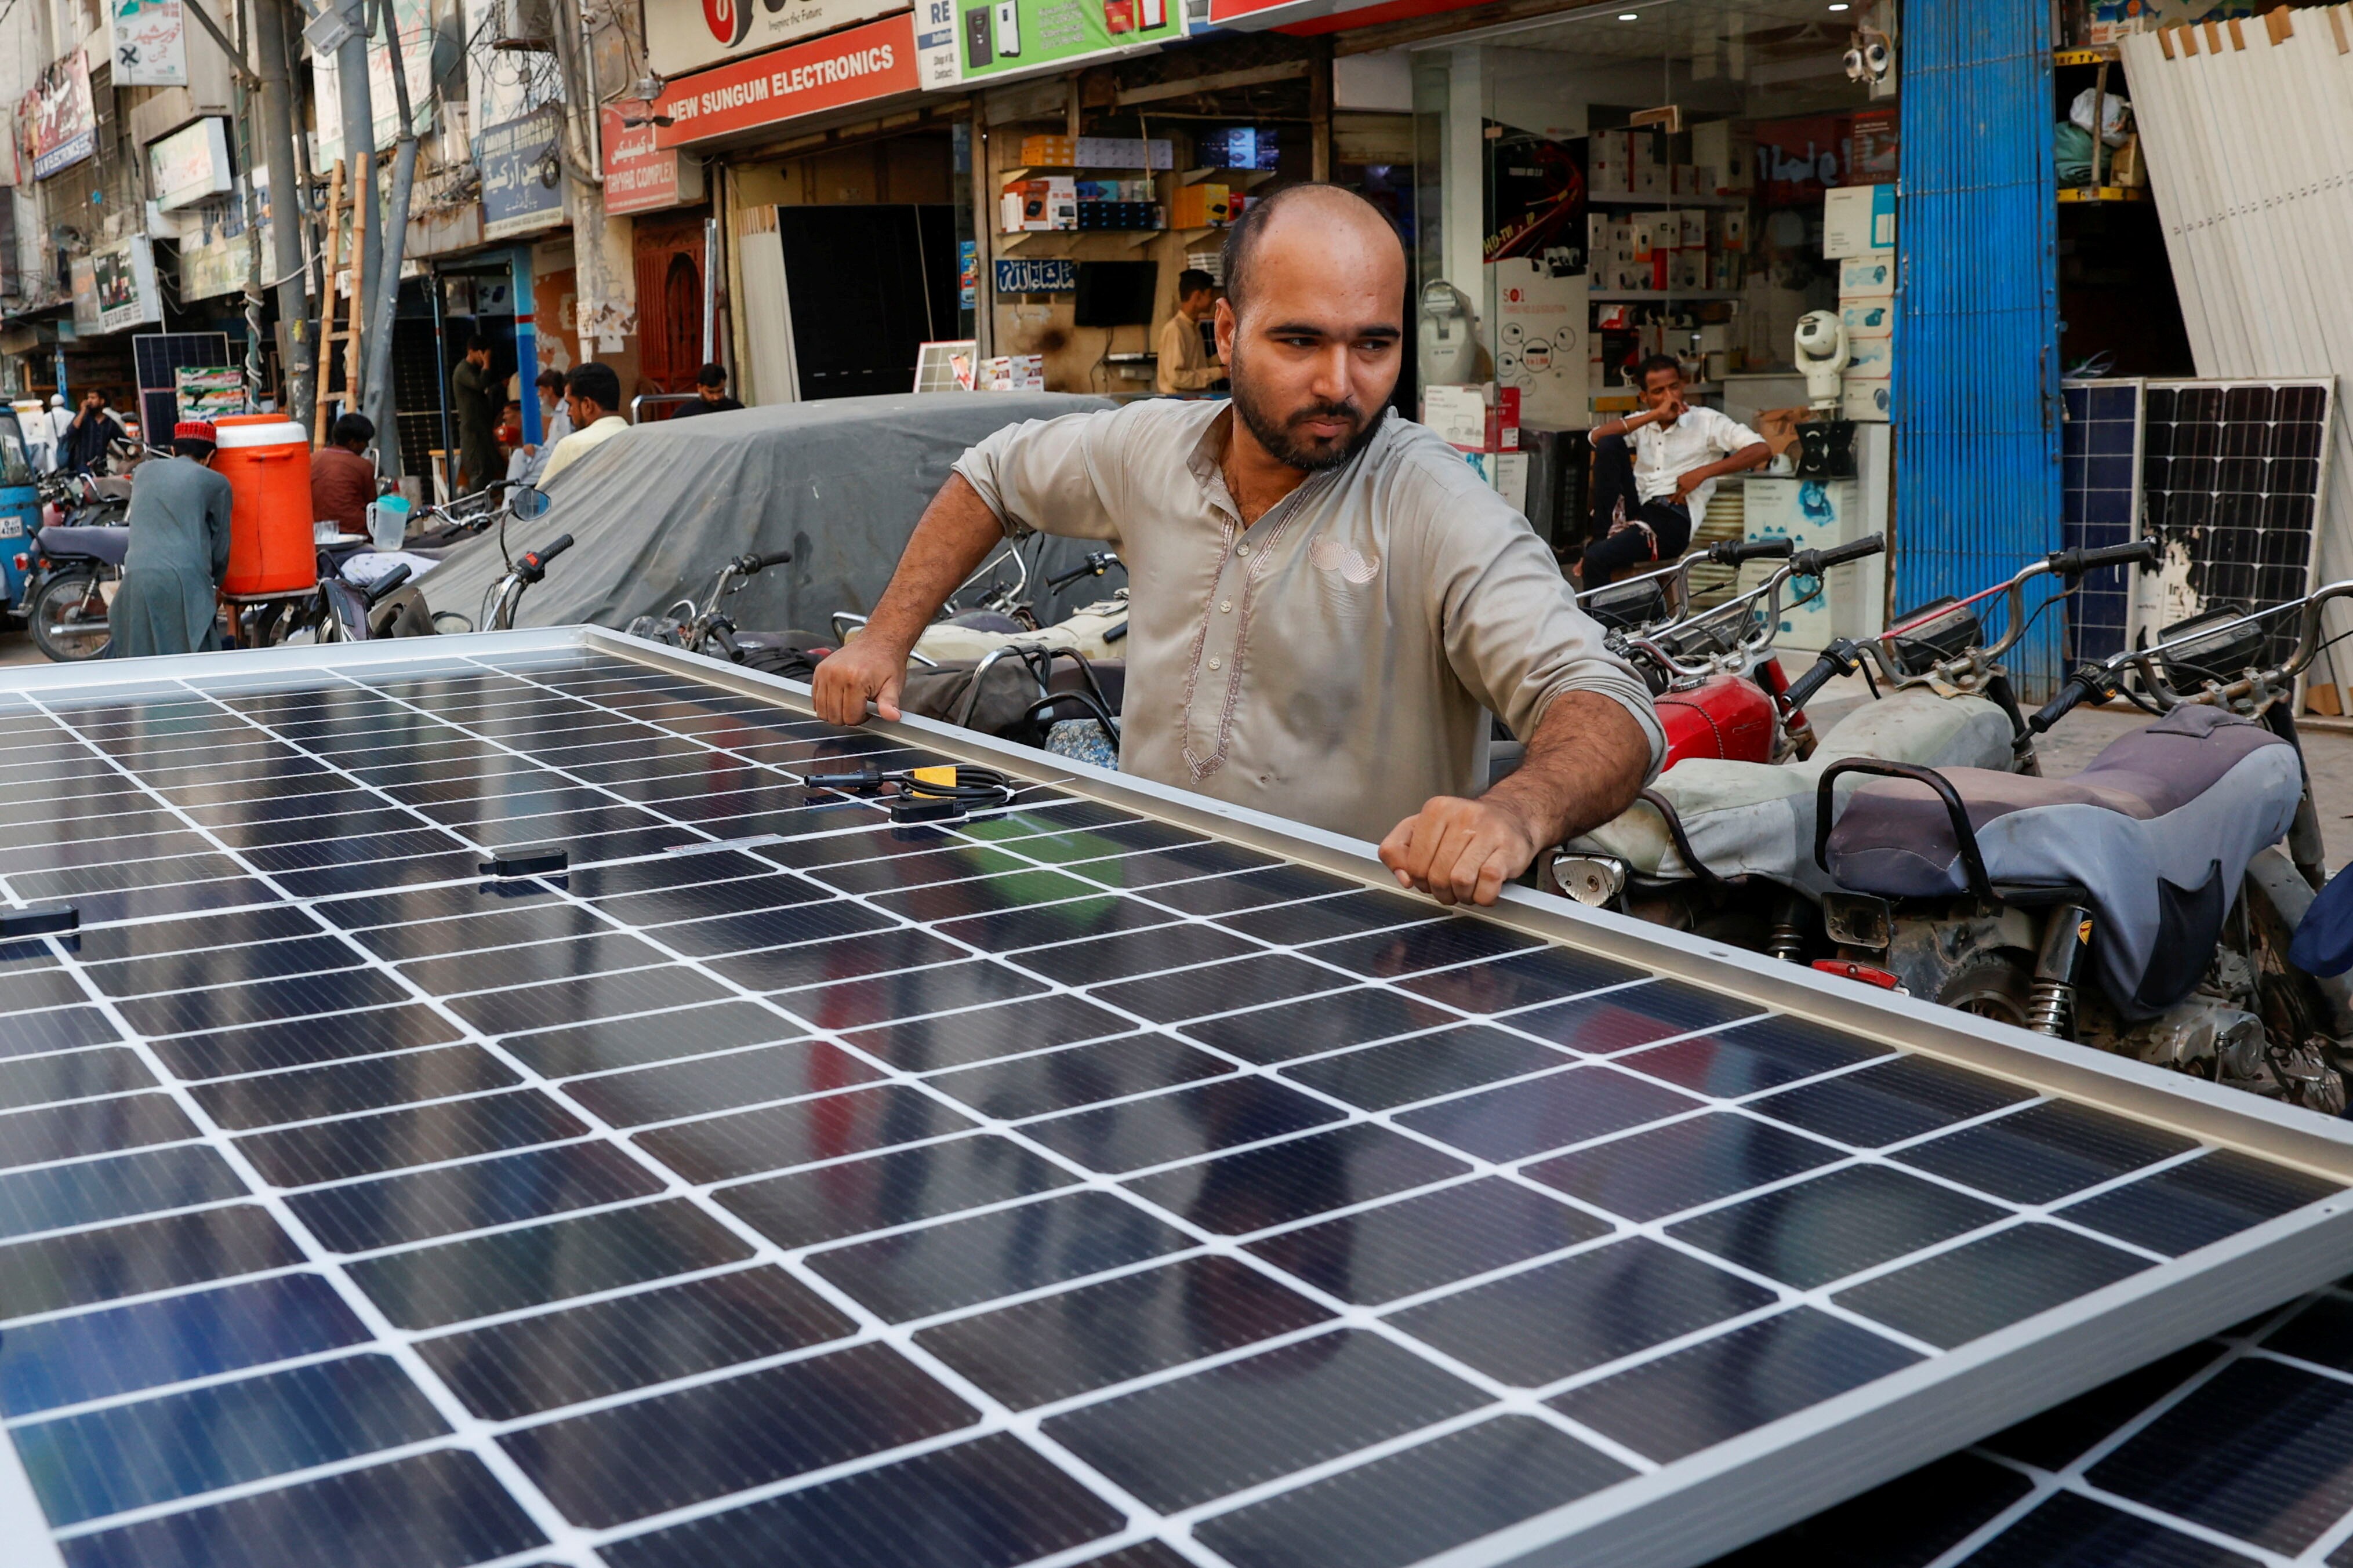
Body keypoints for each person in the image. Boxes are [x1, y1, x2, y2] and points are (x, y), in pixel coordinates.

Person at [816, 183, 1661, 908]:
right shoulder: (1146, 450)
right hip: (1155, 933)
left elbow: (1606, 702)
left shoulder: (1437, 508)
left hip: (1354, 971)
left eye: (1373, 344)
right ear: (1224, 332)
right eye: (1299, 340)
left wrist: (1515, 813)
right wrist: (886, 638)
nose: (1339, 384)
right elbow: (993, 476)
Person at [1579, 354, 1770, 588]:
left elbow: (1761, 449)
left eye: (1674, 387)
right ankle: (1600, 537)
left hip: (1672, 519)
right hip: (1637, 510)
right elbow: (1595, 438)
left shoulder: (1707, 420)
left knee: (1596, 560)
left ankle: (1598, 608)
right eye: (1659, 392)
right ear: (1645, 397)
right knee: (1610, 443)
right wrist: (1655, 414)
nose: (1669, 397)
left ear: (1683, 386)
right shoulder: (1643, 422)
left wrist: (1702, 473)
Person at [109, 421, 234, 659]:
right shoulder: (217, 483)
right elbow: (221, 546)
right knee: (194, 657)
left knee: (144, 656)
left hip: (137, 577)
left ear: (173, 450)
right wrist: (216, 584)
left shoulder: (142, 472)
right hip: (186, 579)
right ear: (210, 456)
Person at [537, 362, 629, 486]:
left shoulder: (571, 446)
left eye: (570, 405)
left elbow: (541, 497)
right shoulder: (642, 440)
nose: (569, 413)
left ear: (587, 405)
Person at [1156, 269, 1226, 395]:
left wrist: (1226, 355)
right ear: (1198, 296)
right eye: (1210, 294)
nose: (1213, 300)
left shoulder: (1194, 327)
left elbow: (1197, 368)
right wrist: (1220, 372)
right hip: (1180, 403)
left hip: (1197, 400)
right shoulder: (1175, 330)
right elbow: (1177, 378)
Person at [310, 412, 378, 537]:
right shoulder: (363, 465)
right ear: (352, 442)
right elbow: (372, 507)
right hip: (356, 534)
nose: (367, 446)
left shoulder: (311, 460)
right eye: (365, 442)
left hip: (317, 533)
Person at [451, 336, 502, 493]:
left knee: (493, 468)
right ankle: (476, 503)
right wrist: (486, 364)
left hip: (483, 430)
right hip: (473, 433)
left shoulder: (474, 370)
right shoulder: (463, 371)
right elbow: (480, 384)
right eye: (482, 355)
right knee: (479, 472)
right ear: (473, 352)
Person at [507, 369, 572, 485]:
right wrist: (535, 448)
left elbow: (564, 445)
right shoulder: (557, 415)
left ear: (550, 390)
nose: (539, 394)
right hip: (548, 456)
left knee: (522, 480)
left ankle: (511, 493)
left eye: (541, 390)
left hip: (559, 460)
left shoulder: (566, 412)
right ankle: (511, 491)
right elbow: (549, 447)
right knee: (519, 455)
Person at [60, 390, 126, 475]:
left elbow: (122, 440)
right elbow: (71, 431)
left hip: (100, 467)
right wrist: (83, 411)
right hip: (82, 466)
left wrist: (132, 451)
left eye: (93, 398)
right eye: (88, 398)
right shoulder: (83, 418)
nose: (89, 401)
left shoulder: (109, 423)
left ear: (102, 401)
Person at [668, 362, 743, 419]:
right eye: (711, 392)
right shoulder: (684, 414)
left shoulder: (736, 409)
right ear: (699, 388)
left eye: (720, 391)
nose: (716, 397)